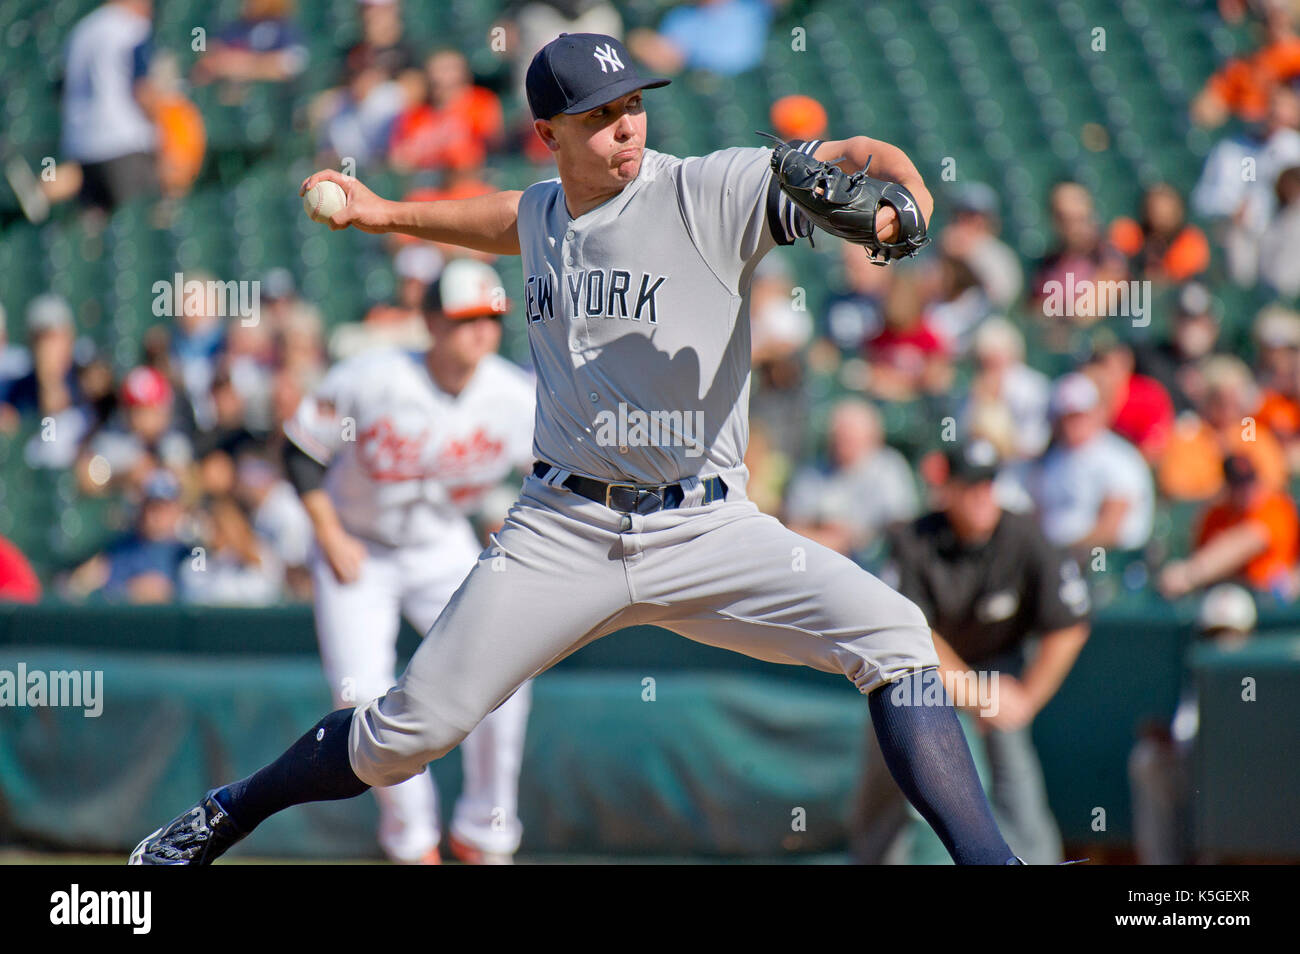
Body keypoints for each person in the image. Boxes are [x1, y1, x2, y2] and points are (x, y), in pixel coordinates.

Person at [132, 32, 1024, 868]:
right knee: (409, 732)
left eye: (633, 104)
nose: (625, 125)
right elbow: (505, 220)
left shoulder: (705, 190)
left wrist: (906, 203)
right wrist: (385, 215)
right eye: (599, 114)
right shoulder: (546, 211)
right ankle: (224, 814)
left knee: (898, 636)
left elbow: (858, 157)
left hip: (709, 525)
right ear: (549, 132)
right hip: (561, 530)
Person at [281, 259, 538, 864]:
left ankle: (485, 834)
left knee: (507, 673)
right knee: (361, 698)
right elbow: (298, 450)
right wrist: (326, 531)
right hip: (356, 548)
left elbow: (552, 478)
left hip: (440, 544)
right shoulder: (370, 379)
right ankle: (412, 842)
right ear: (429, 322)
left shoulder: (513, 396)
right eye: (464, 317)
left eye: (489, 318)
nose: (479, 330)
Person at [850, 441, 1090, 865]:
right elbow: (907, 632)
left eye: (989, 484)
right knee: (902, 768)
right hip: (919, 675)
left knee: (1016, 779)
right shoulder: (914, 540)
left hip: (999, 675)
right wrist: (975, 692)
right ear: (948, 490)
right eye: (970, 486)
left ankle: (1032, 861)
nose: (982, 495)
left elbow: (1068, 626)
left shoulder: (1024, 536)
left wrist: (1025, 700)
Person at [1129, 584, 1257, 864]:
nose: (1222, 643)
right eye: (1214, 634)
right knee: (1147, 758)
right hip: (1196, 773)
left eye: (1231, 634)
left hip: (1245, 782)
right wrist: (1168, 740)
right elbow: (1188, 735)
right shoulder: (1201, 676)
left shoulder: (1258, 680)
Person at [1026, 373, 1154, 555]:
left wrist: (1067, 550)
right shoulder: (1052, 459)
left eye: (1080, 415)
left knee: (1097, 567)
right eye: (1067, 416)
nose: (1074, 423)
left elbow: (1110, 528)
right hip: (1057, 555)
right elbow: (1039, 512)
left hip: (1103, 557)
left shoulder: (1118, 457)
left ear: (1097, 413)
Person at [783, 399, 918, 559]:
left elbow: (900, 523)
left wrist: (854, 536)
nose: (843, 444)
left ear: (872, 438)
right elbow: (793, 526)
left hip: (875, 563)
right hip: (818, 557)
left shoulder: (889, 467)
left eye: (850, 439)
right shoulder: (813, 470)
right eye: (839, 437)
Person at [60, 0, 159, 212]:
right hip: (123, 142)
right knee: (139, 223)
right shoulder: (131, 26)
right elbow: (142, 91)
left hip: (82, 144)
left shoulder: (82, 29)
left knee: (97, 231)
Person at [1159, 454, 1299, 600]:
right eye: (1238, 485)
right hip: (1225, 593)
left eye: (1249, 481)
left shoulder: (1276, 506)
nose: (1246, 490)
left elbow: (1249, 539)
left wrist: (1191, 574)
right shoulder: (1217, 514)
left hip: (1269, 598)